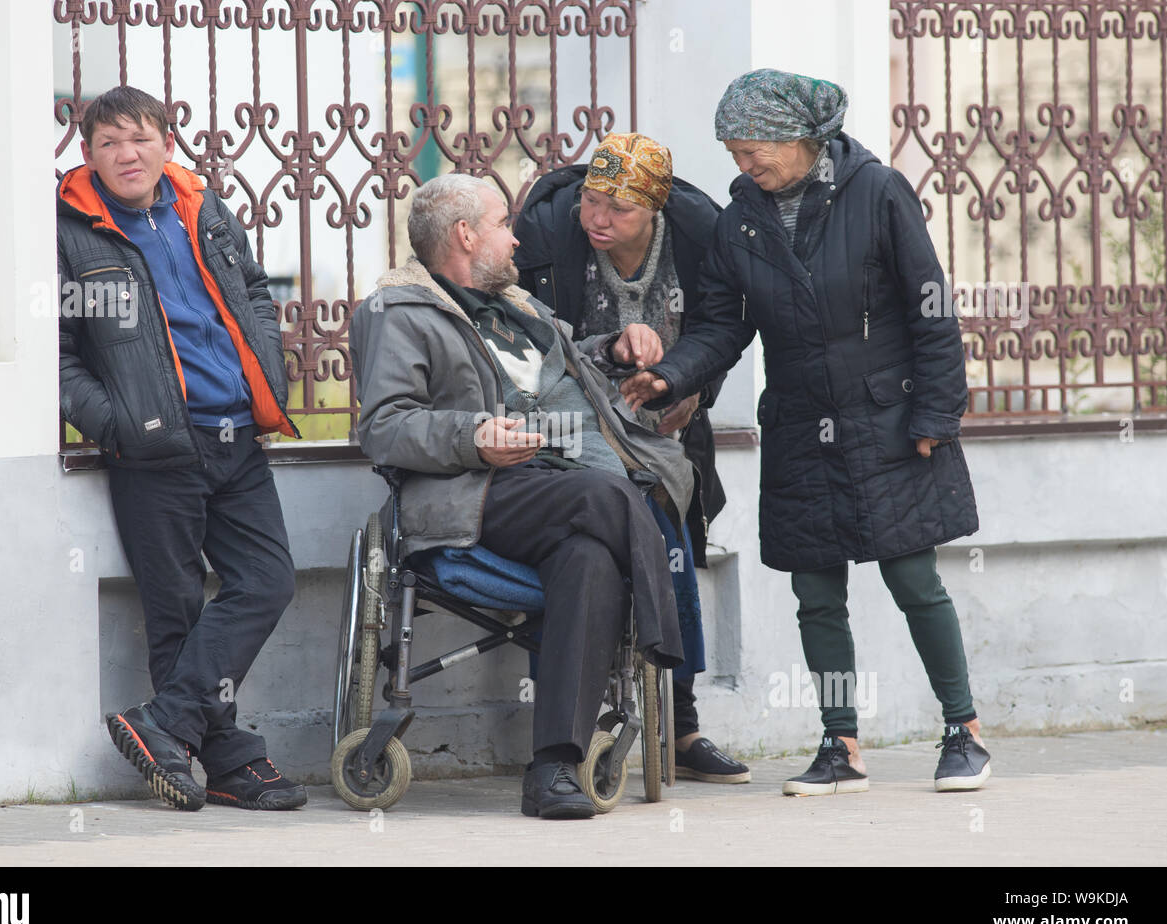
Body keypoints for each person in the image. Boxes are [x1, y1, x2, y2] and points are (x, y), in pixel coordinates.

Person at [623, 69, 991, 795]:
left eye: (753, 149)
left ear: (800, 138)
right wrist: (673, 376)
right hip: (799, 426)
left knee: (914, 580)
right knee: (816, 593)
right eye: (733, 152)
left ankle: (963, 732)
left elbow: (932, 308)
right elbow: (722, 325)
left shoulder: (878, 193)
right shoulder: (742, 220)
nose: (743, 164)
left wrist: (937, 415)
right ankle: (839, 746)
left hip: (889, 419)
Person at [349, 173, 692, 819]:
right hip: (474, 494)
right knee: (616, 498)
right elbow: (385, 426)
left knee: (591, 559)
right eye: (505, 222)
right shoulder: (397, 314)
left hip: (561, 490)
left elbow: (559, 369)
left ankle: (553, 771)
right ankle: (661, 633)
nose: (519, 236)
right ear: (465, 234)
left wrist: (613, 350)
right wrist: (473, 436)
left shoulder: (523, 310)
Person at [57, 86, 306, 811]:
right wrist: (121, 423)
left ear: (167, 141)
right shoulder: (71, 231)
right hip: (155, 450)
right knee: (176, 612)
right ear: (89, 155)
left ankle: (166, 723)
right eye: (108, 144)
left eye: (138, 138)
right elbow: (56, 353)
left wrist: (269, 371)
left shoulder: (206, 209)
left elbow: (254, 293)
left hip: (237, 434)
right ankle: (229, 760)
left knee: (267, 581)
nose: (126, 154)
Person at [513, 133, 750, 784]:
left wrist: (686, 386)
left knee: (674, 552)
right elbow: (527, 338)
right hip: (571, 427)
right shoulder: (547, 233)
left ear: (654, 210)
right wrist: (608, 354)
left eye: (618, 209)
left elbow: (723, 328)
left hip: (667, 424)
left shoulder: (699, 237)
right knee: (578, 559)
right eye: (591, 200)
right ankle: (565, 731)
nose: (597, 218)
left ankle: (682, 726)